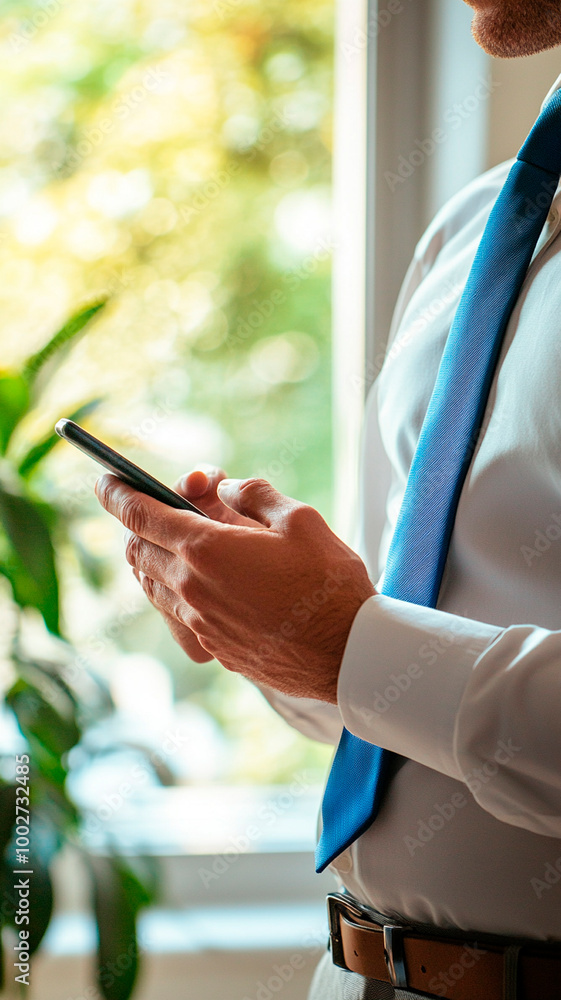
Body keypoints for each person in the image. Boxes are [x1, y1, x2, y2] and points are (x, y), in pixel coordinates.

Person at [95, 1, 561, 997]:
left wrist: (352, 645)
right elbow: (399, 672)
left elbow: (383, 653)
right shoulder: (477, 229)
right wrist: (274, 630)